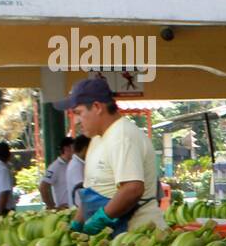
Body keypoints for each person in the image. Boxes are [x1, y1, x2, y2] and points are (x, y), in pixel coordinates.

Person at [54, 77, 165, 233]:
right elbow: (91, 191)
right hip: (113, 235)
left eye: (78, 113)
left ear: (97, 107)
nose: (77, 121)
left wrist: (102, 218)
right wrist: (77, 224)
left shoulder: (122, 136)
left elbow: (132, 189)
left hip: (136, 234)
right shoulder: (97, 139)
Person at [39, 136, 76, 209]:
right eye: (74, 148)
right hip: (65, 209)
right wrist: (52, 207)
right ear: (66, 149)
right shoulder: (55, 167)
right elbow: (43, 187)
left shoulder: (74, 164)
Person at [68, 134, 90, 213]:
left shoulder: (78, 164)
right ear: (85, 148)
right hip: (79, 211)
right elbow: (82, 188)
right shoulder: (76, 166)